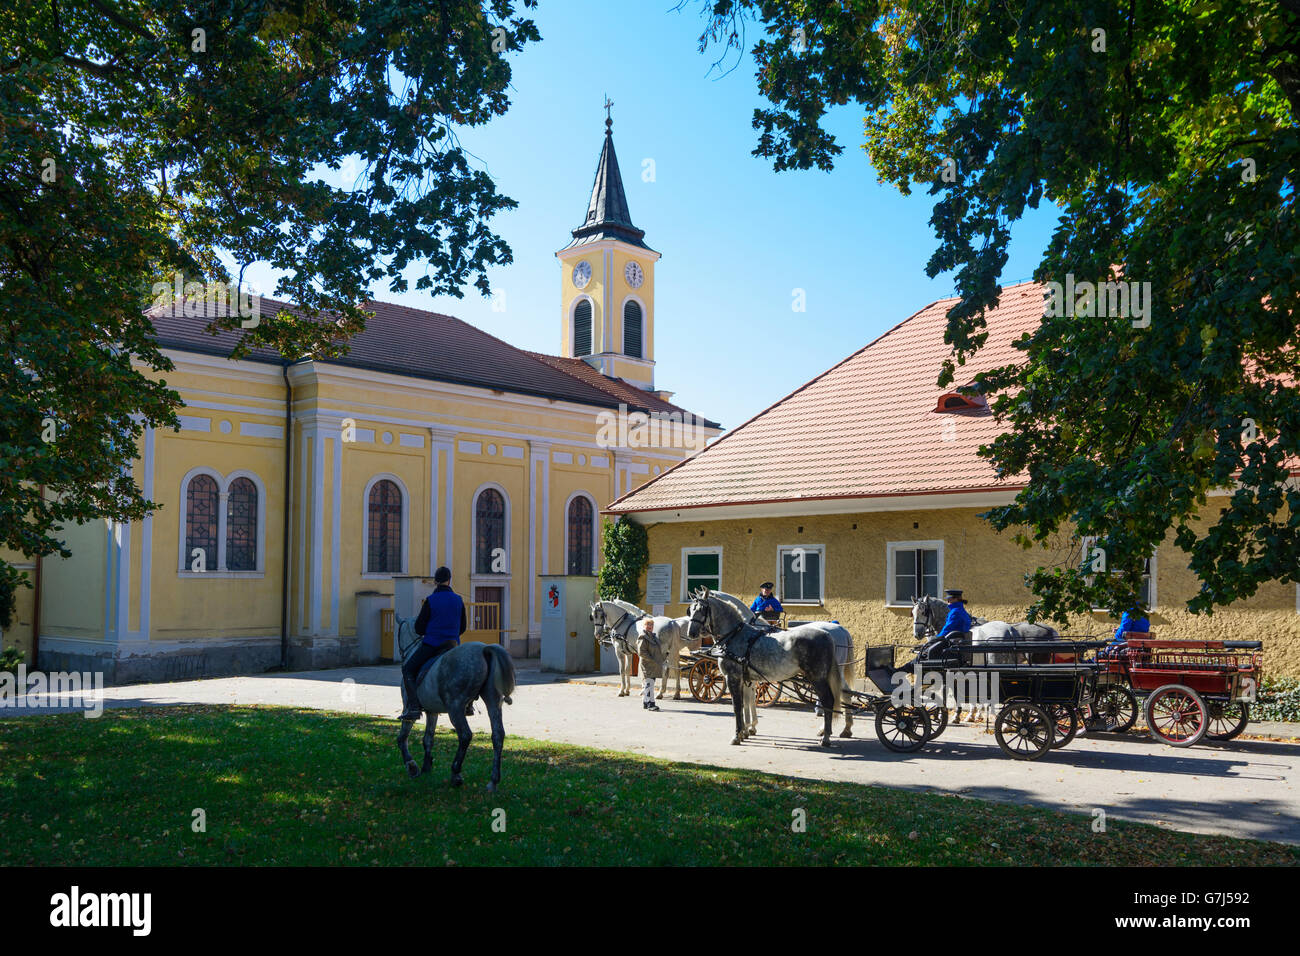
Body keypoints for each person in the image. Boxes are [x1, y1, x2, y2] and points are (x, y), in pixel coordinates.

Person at [399, 566, 467, 721]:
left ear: (436, 581)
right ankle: (468, 705)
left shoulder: (431, 600)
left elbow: (418, 628)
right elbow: (462, 627)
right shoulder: (458, 600)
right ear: (449, 580)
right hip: (453, 645)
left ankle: (414, 707)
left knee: (408, 669)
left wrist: (429, 631)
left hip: (433, 644)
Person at [635, 617, 664, 711]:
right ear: (644, 626)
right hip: (647, 664)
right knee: (649, 684)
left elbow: (657, 650)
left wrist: (663, 657)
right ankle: (650, 704)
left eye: (651, 625)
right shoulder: (643, 637)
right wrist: (651, 659)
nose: (650, 626)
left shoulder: (653, 637)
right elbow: (641, 652)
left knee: (650, 683)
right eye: (648, 624)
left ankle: (645, 702)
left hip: (654, 665)